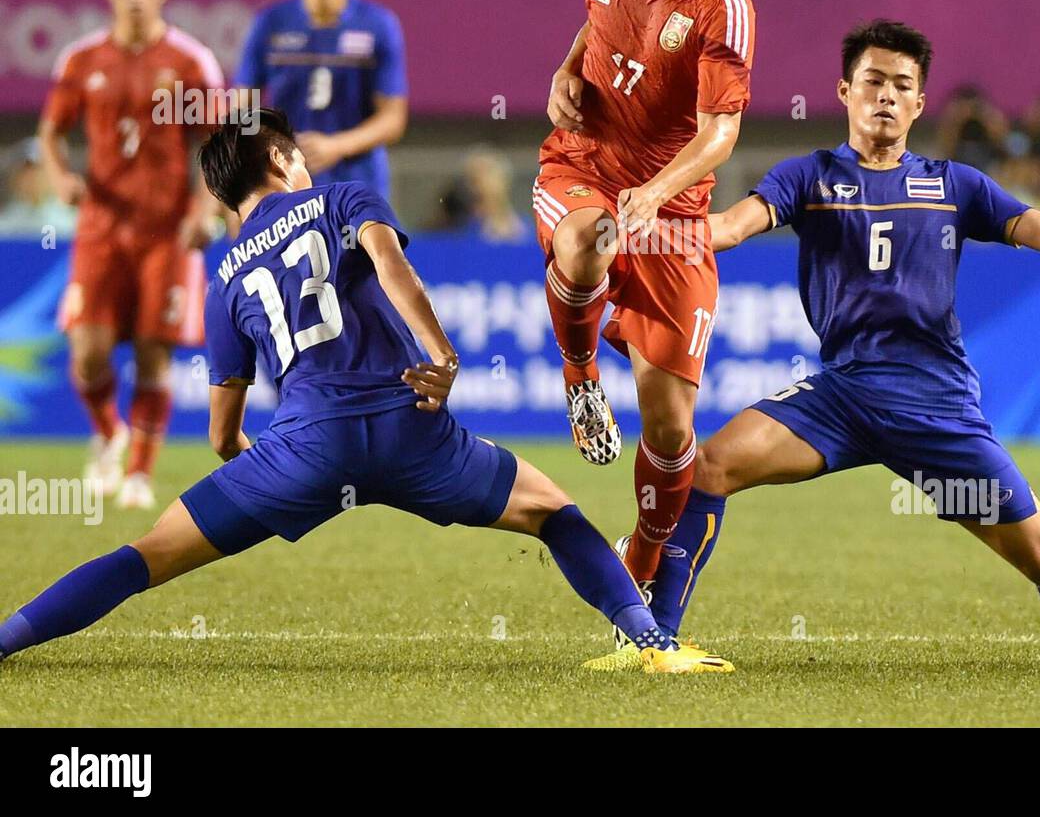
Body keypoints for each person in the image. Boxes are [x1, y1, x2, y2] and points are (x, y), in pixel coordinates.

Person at [0, 110, 731, 676]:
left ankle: (8, 638)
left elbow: (224, 433)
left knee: (145, 555)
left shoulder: (225, 276)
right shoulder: (340, 196)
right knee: (554, 513)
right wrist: (442, 353)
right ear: (284, 159)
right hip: (412, 423)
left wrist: (274, 472)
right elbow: (389, 265)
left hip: (302, 449)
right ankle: (652, 642)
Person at [579, 18, 1040, 670]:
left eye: (902, 84)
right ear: (845, 91)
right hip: (841, 398)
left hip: (938, 409)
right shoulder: (809, 177)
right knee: (708, 469)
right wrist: (646, 230)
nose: (886, 95)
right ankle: (656, 643)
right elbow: (731, 227)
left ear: (920, 103)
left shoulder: (955, 185)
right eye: (873, 80)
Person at [533, 0, 756, 586]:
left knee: (671, 429)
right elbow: (598, 20)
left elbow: (721, 132)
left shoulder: (725, 4)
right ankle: (580, 375)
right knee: (587, 238)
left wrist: (656, 195)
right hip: (583, 165)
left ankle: (640, 564)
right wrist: (564, 72)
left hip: (674, 213)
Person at [37, 0, 225, 509]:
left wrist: (205, 208)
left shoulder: (191, 62)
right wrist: (61, 177)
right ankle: (108, 434)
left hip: (166, 232)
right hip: (99, 226)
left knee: (153, 352)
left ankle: (140, 474)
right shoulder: (81, 59)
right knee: (88, 352)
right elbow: (50, 133)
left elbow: (215, 143)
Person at [234, 0, 408, 196]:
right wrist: (245, 179)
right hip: (285, 185)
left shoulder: (378, 25)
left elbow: (393, 119)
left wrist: (337, 146)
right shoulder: (269, 23)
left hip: (359, 186)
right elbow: (241, 109)